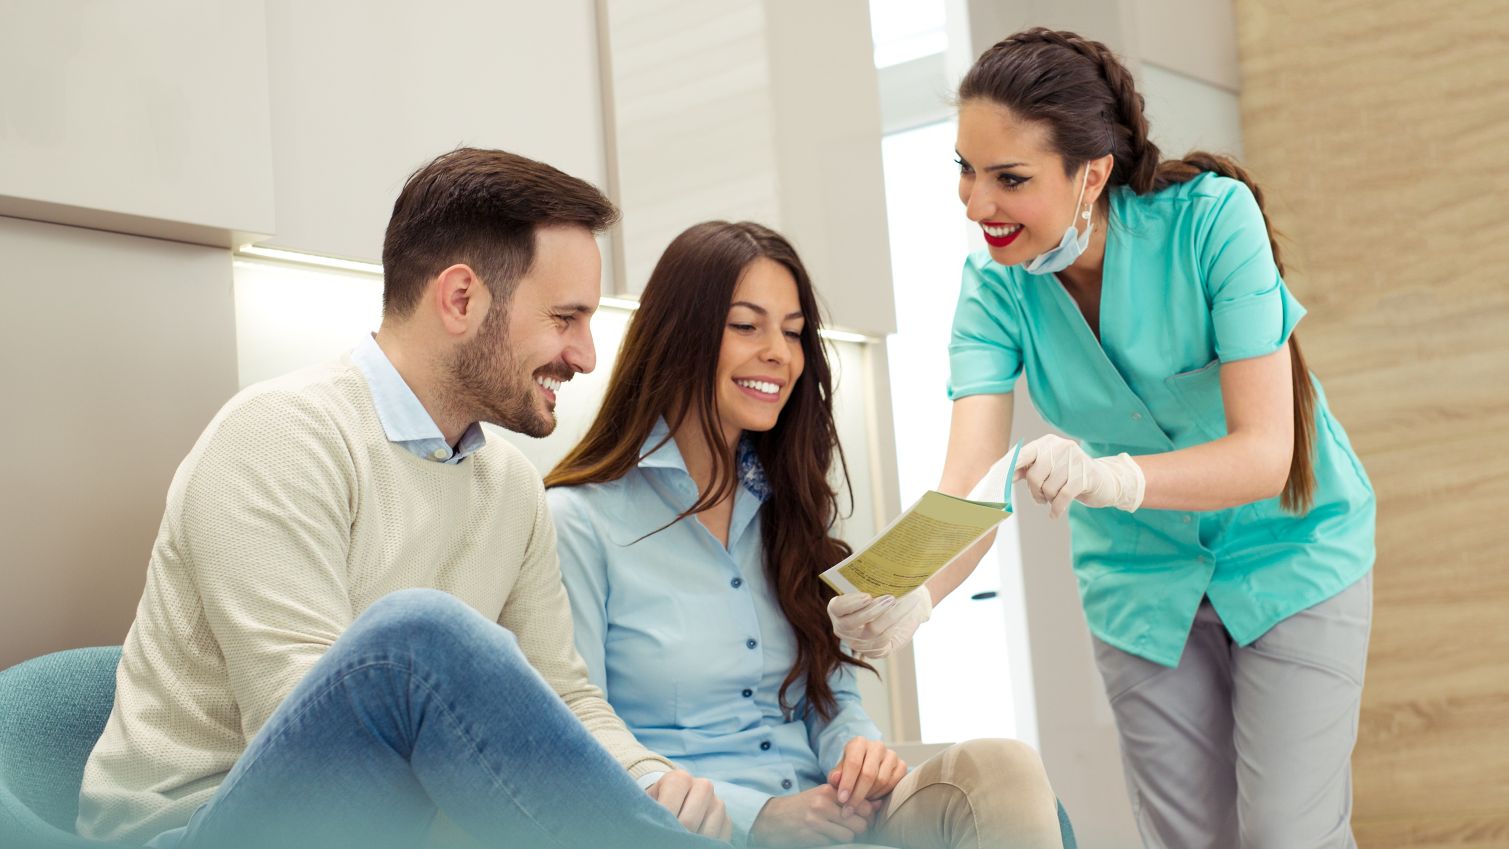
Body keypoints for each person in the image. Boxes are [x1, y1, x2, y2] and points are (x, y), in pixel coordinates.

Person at [76, 148, 731, 849]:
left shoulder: (511, 486)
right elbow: (313, 740)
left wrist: (648, 780)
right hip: (203, 828)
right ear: (460, 299)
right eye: (565, 318)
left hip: (383, 825)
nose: (585, 355)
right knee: (415, 638)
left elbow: (564, 696)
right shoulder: (277, 436)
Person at [828, 29, 1376, 849]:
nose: (977, 205)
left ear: (1091, 173)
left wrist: (1112, 477)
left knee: (1286, 836)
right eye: (964, 171)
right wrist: (915, 592)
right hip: (1140, 586)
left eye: (1009, 178)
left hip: (1292, 555)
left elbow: (1268, 452)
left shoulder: (1211, 224)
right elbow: (966, 483)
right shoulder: (992, 288)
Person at [544, 220, 1065, 849]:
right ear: (680, 333)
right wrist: (759, 816)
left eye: (793, 333)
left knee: (1002, 769)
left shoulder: (791, 510)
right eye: (747, 326)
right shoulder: (578, 521)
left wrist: (858, 753)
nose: (780, 354)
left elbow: (832, 699)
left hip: (840, 822)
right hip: (694, 833)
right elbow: (577, 736)